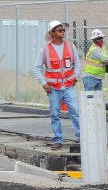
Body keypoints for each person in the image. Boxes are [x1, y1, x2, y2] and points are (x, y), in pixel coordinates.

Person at [32, 20, 80, 150]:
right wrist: (44, 84)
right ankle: (58, 139)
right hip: (53, 89)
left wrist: (76, 76)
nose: (63, 32)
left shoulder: (71, 47)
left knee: (75, 111)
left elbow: (77, 63)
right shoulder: (45, 50)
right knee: (54, 114)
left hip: (68, 86)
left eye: (63, 30)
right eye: (59, 30)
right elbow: (36, 68)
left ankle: (81, 137)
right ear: (52, 33)